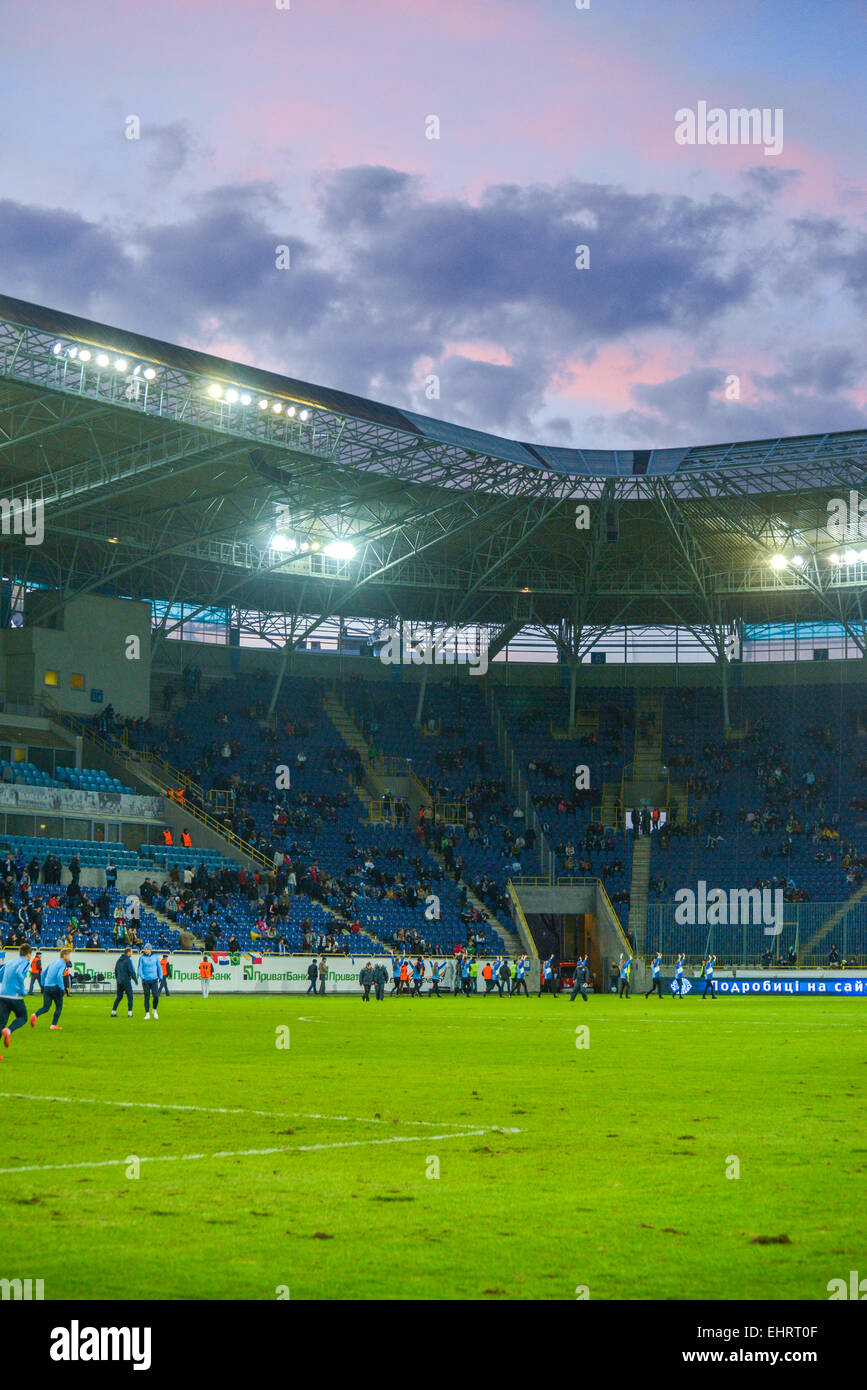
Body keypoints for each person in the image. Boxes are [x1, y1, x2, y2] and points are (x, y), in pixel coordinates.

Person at [0, 944, 34, 1052]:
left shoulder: (10, 962)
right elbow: (19, 973)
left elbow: (1, 974)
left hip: (3, 995)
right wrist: (23, 990)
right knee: (23, 1017)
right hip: (15, 996)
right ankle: (9, 1031)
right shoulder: (25, 962)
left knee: (1, 1023)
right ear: (28, 954)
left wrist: (6, 984)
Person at [32, 947, 72, 1030]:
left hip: (47, 987)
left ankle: (35, 1015)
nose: (69, 957)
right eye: (68, 955)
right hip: (55, 988)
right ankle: (53, 1025)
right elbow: (59, 976)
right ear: (64, 955)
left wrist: (43, 984)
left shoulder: (53, 962)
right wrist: (62, 988)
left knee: (45, 1007)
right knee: (59, 1007)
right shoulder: (63, 964)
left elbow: (43, 974)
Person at [110, 946, 137, 1018]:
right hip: (126, 981)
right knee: (130, 997)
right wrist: (135, 979)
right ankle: (130, 1013)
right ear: (128, 952)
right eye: (131, 952)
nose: (132, 953)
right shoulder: (128, 960)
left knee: (119, 997)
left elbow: (115, 970)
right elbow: (131, 971)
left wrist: (117, 979)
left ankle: (113, 1012)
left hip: (119, 981)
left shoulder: (119, 960)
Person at [139, 945, 161, 1020]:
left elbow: (159, 967)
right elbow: (140, 968)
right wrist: (142, 977)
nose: (145, 950)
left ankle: (154, 1010)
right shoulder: (142, 958)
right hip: (146, 981)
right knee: (147, 997)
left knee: (156, 996)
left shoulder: (155, 957)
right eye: (145, 949)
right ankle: (147, 1013)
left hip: (154, 980)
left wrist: (160, 977)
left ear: (150, 950)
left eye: (147, 949)